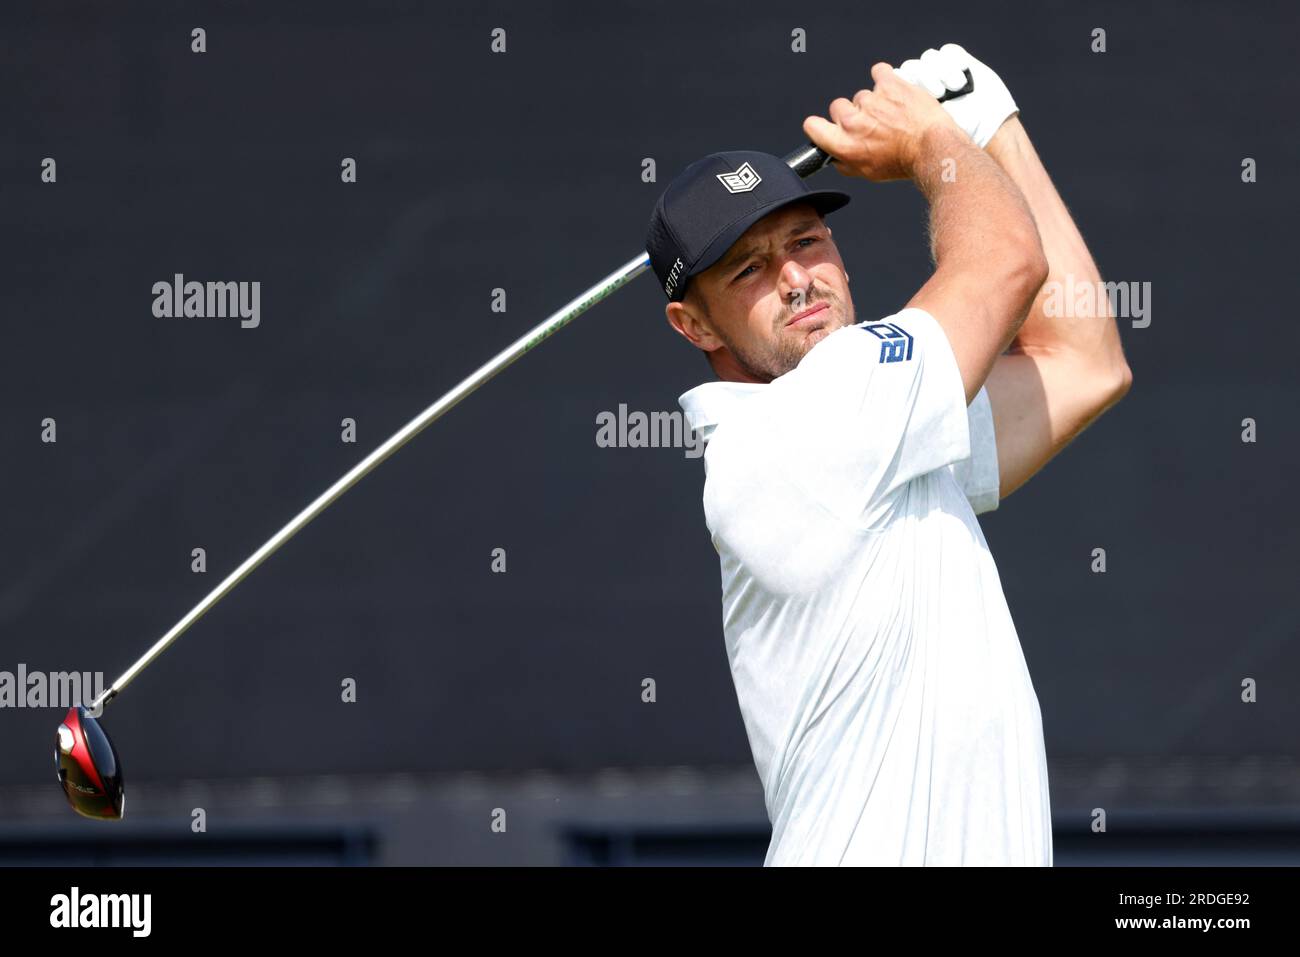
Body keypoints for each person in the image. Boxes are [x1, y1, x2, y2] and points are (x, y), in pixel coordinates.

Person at [644, 44, 1132, 865]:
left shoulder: (884, 431)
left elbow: (1084, 361)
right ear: (693, 325)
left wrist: (992, 126)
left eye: (806, 240)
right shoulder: (810, 420)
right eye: (750, 269)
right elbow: (1007, 260)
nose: (798, 277)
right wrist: (936, 143)